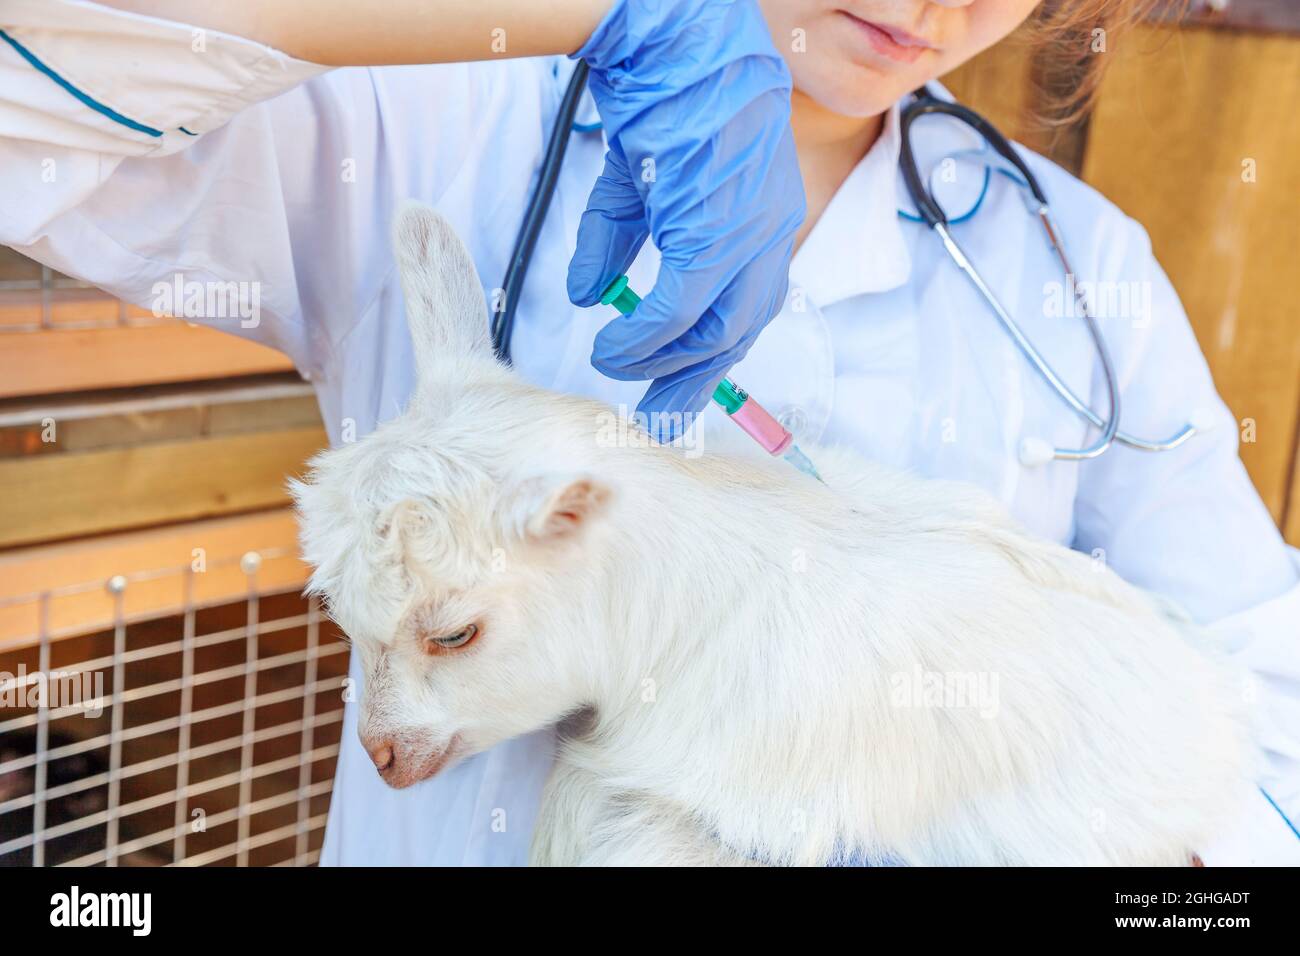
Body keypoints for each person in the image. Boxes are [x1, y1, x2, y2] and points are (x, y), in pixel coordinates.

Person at [1, 0, 1296, 865]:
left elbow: (1258, 665)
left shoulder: (1071, 260)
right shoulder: (435, 111)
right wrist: (609, 7)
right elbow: (27, 82)